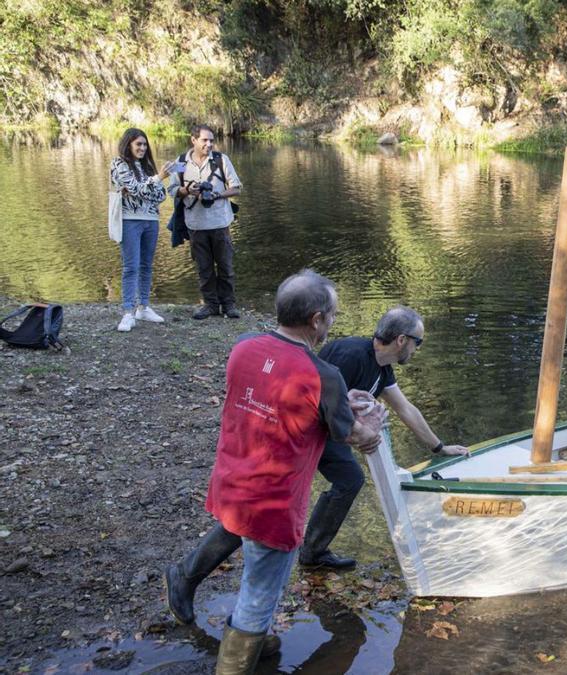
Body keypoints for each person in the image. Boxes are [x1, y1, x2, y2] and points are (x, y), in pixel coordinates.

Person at [166, 270, 383, 674]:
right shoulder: (324, 377)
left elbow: (285, 397)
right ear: (317, 319)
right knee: (259, 593)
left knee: (240, 536)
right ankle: (236, 662)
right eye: (332, 315)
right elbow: (352, 436)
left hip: (233, 480)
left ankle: (256, 641)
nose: (333, 322)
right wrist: (371, 430)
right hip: (275, 503)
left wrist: (338, 401)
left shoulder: (244, 348)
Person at [301, 305, 470, 570]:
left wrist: (439, 447)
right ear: (402, 340)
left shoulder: (382, 369)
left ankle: (312, 553)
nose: (416, 350)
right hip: (308, 430)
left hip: (333, 433)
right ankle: (278, 542)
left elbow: (405, 409)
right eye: (418, 342)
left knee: (350, 480)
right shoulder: (352, 354)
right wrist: (358, 434)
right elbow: (320, 402)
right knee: (340, 480)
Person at [167, 124, 242, 320]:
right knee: (204, 268)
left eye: (211, 140)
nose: (209, 144)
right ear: (194, 140)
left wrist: (217, 195)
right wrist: (187, 190)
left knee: (225, 266)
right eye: (204, 140)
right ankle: (210, 305)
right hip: (195, 225)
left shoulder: (221, 159)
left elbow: (237, 188)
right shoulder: (180, 161)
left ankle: (229, 305)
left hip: (220, 223)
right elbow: (172, 189)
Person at [109, 128, 178, 332]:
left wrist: (148, 185)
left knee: (147, 265)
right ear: (128, 144)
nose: (142, 148)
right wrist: (155, 180)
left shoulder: (147, 166)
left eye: (145, 144)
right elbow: (136, 188)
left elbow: (160, 196)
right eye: (138, 144)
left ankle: (143, 307)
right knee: (131, 266)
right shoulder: (119, 163)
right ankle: (128, 313)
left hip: (151, 220)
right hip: (130, 220)